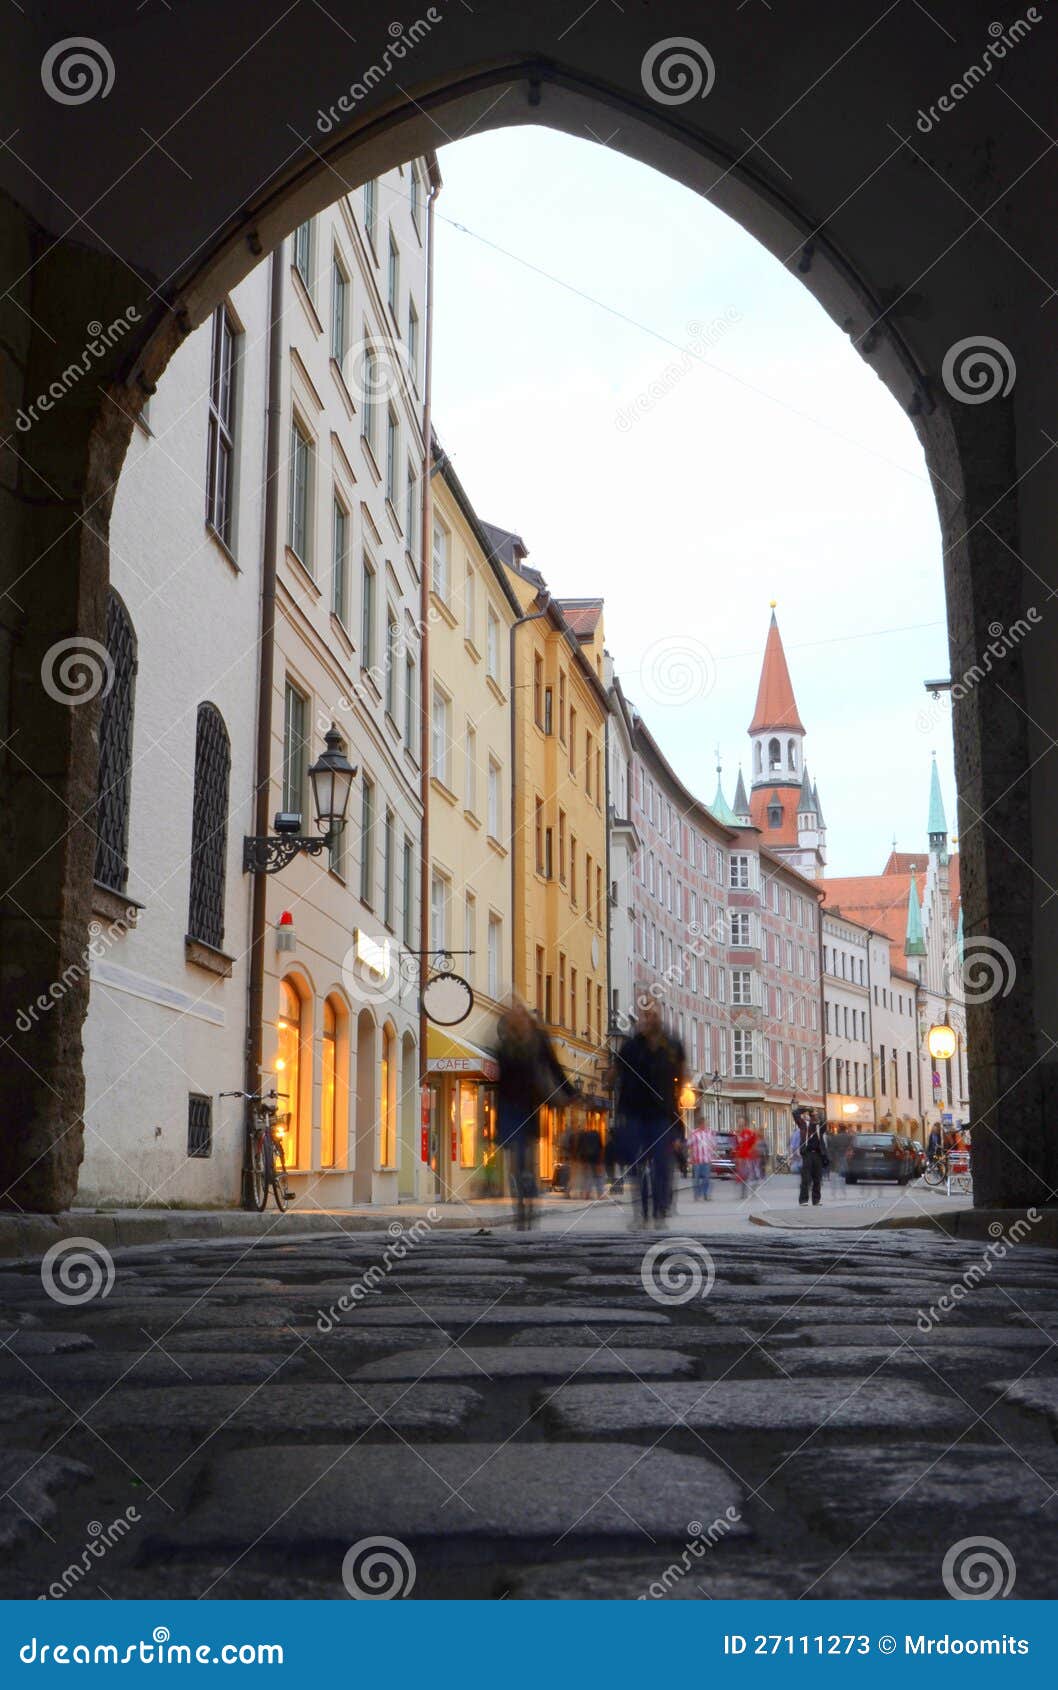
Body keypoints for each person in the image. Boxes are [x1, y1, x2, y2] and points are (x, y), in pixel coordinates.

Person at [495, 1000, 575, 1229]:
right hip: (509, 1105)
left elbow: (554, 1067)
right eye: (514, 1015)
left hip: (529, 1105)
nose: (518, 1018)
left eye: (521, 1014)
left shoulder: (538, 1041)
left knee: (526, 1154)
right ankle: (520, 1205)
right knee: (515, 1159)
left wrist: (570, 1092)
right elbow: (500, 1083)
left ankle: (529, 1200)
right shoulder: (505, 1045)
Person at [615, 1001, 686, 1225]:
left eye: (653, 1014)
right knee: (637, 1163)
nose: (649, 1019)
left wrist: (677, 1113)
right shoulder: (631, 1047)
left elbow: (680, 1079)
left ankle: (659, 1209)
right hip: (635, 1112)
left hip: (661, 1114)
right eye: (645, 1015)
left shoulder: (672, 1046)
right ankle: (641, 1211)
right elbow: (618, 1075)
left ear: (659, 1017)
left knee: (662, 1164)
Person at [797, 1106, 828, 1207]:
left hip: (818, 1154)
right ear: (811, 1117)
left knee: (817, 1179)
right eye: (814, 1116)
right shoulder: (804, 1125)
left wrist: (819, 1113)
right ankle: (803, 1200)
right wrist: (806, 1109)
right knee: (806, 1178)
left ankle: (816, 1200)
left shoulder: (820, 1127)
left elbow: (825, 1121)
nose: (816, 1118)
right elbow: (795, 1113)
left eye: (817, 1116)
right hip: (808, 1154)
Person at [688, 1114, 714, 1201]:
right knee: (696, 1179)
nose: (705, 1125)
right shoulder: (694, 1133)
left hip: (706, 1159)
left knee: (706, 1178)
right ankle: (697, 1194)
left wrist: (712, 1155)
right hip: (697, 1160)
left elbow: (712, 1144)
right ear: (699, 1124)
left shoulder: (709, 1133)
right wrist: (691, 1157)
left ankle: (705, 1194)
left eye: (705, 1123)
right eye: (703, 1123)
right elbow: (689, 1145)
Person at [734, 1118, 759, 1199]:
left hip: (748, 1157)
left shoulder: (748, 1132)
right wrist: (736, 1157)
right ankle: (743, 1193)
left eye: (742, 1122)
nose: (740, 1124)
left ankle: (752, 1189)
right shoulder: (737, 1133)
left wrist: (751, 1150)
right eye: (739, 1122)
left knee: (748, 1175)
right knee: (742, 1175)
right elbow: (736, 1146)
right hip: (740, 1157)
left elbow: (755, 1141)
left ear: (744, 1123)